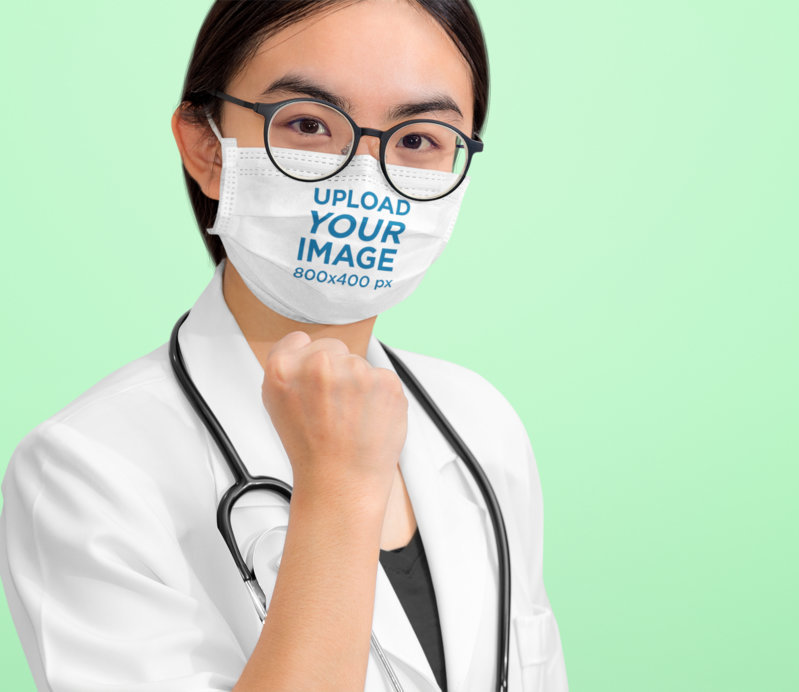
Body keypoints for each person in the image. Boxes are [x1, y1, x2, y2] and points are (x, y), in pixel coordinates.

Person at [0, 1, 569, 690]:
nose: (365, 176)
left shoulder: (481, 425)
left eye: (419, 139)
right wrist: (340, 487)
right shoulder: (86, 470)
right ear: (207, 150)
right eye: (306, 124)